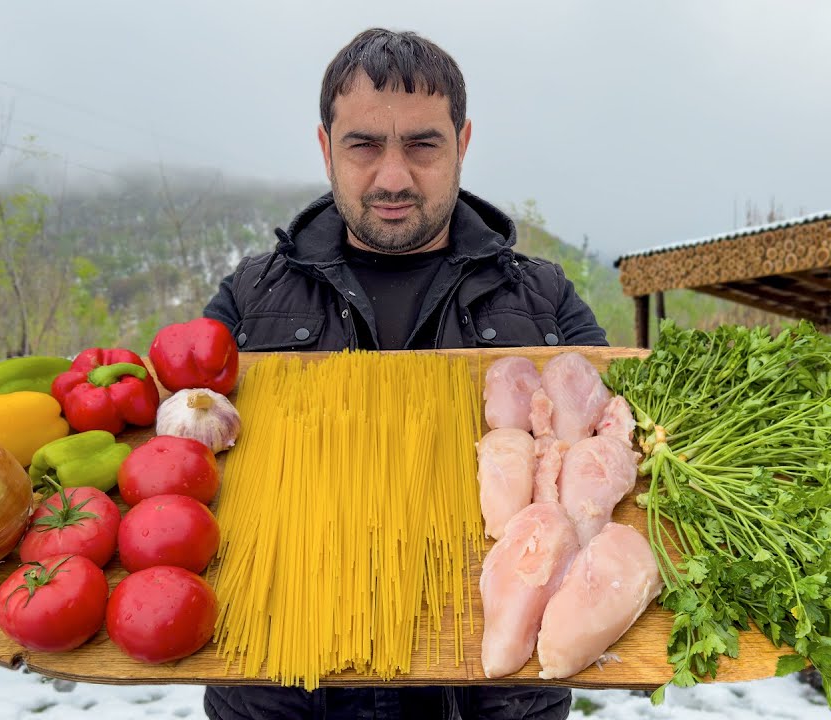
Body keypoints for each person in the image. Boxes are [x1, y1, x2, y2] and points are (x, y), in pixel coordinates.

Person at [202, 28, 609, 720]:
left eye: (422, 144)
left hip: (493, 697)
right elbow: (181, 474)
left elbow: (607, 465)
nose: (393, 177)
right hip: (280, 692)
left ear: (463, 143)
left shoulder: (545, 300)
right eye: (364, 145)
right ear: (327, 147)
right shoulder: (248, 299)